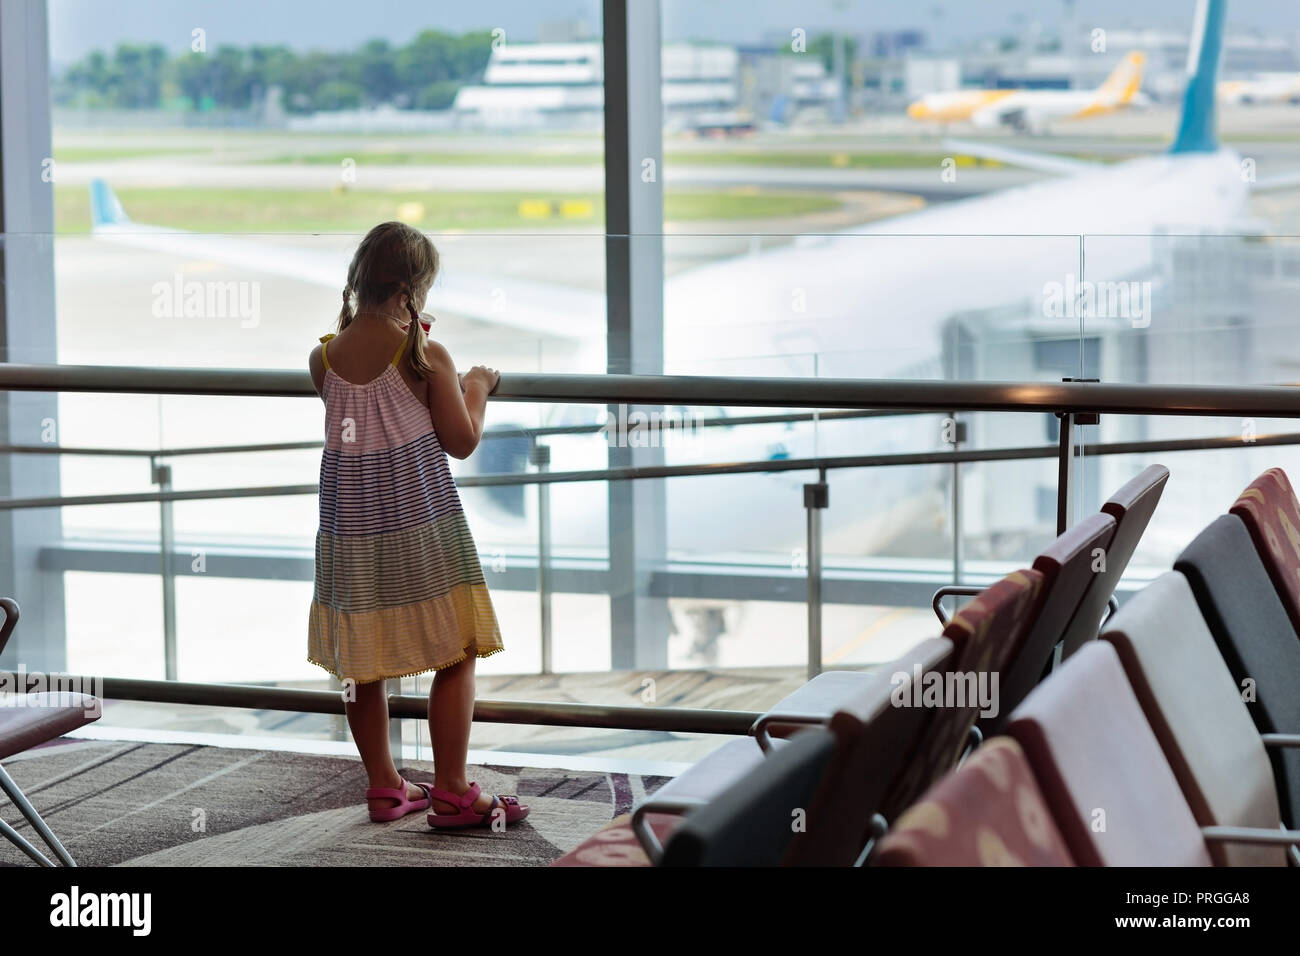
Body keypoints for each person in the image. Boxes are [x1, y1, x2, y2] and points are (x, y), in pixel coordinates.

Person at [306, 221, 528, 830]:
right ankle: (454, 789)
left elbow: (361, 411)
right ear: (412, 288)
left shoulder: (322, 357)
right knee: (456, 651)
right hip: (419, 523)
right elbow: (460, 441)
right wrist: (476, 386)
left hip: (350, 531)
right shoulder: (425, 355)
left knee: (363, 663)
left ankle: (385, 786)